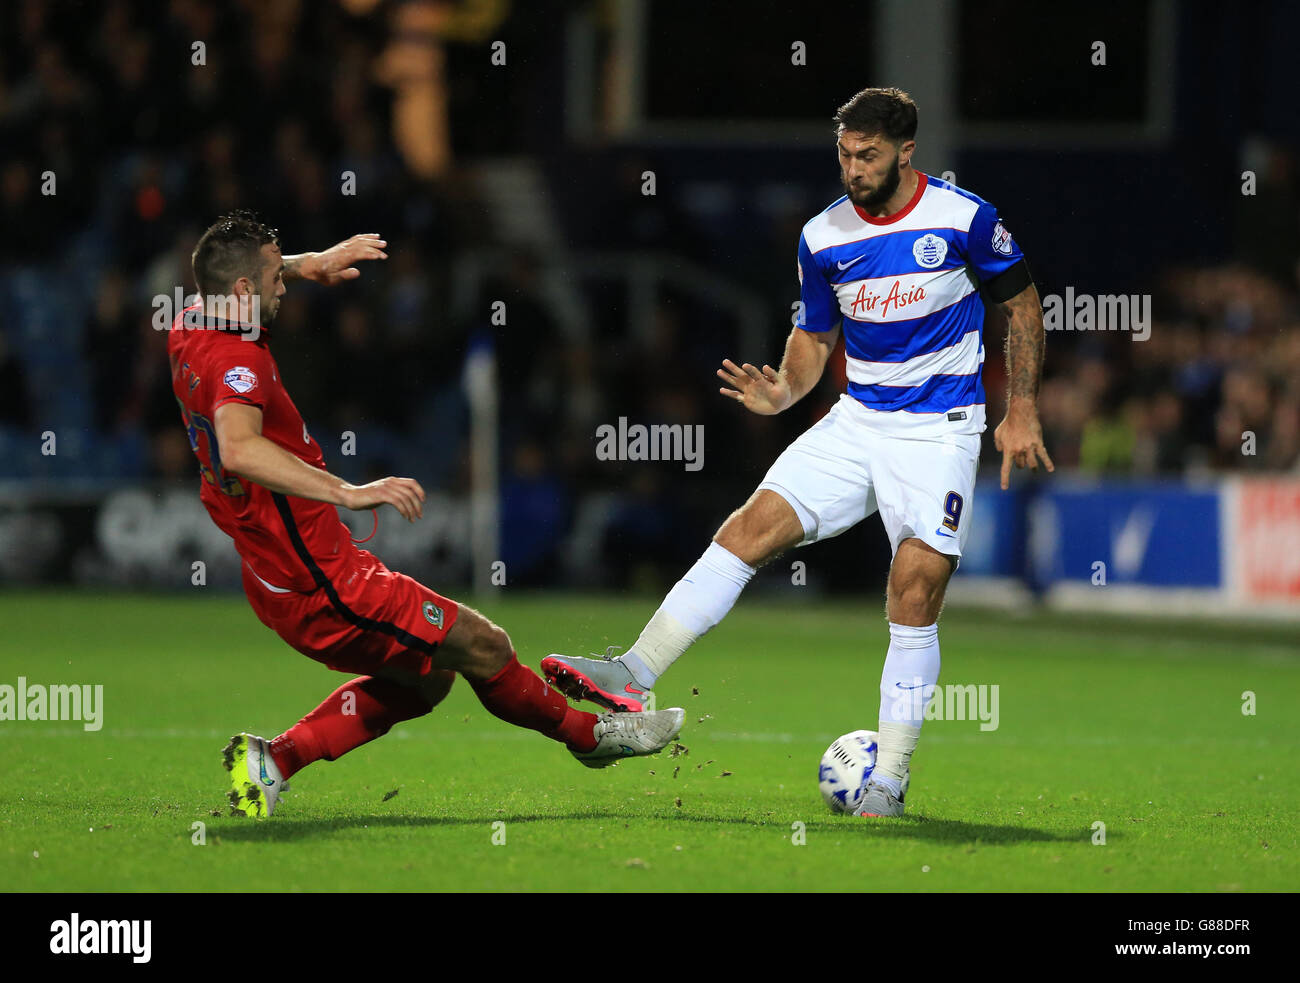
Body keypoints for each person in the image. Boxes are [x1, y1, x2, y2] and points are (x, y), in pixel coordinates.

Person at [542, 88, 1052, 818]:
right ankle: (632, 671)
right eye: (844, 154)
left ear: (906, 151)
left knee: (913, 588)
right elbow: (815, 338)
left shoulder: (965, 217)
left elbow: (1024, 304)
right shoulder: (823, 236)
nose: (853, 169)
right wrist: (784, 391)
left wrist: (1022, 406)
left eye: (867, 155)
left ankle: (889, 780)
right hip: (857, 421)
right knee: (745, 529)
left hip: (940, 429)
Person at [168, 210, 684, 818]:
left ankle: (274, 762)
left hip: (277, 576)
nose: (286, 284)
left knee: (428, 678)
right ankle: (589, 738)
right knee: (485, 645)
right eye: (276, 277)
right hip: (322, 583)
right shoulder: (241, 363)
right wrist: (347, 491)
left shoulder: (188, 325)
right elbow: (239, 446)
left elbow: (244, 294)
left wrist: (314, 263)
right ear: (244, 293)